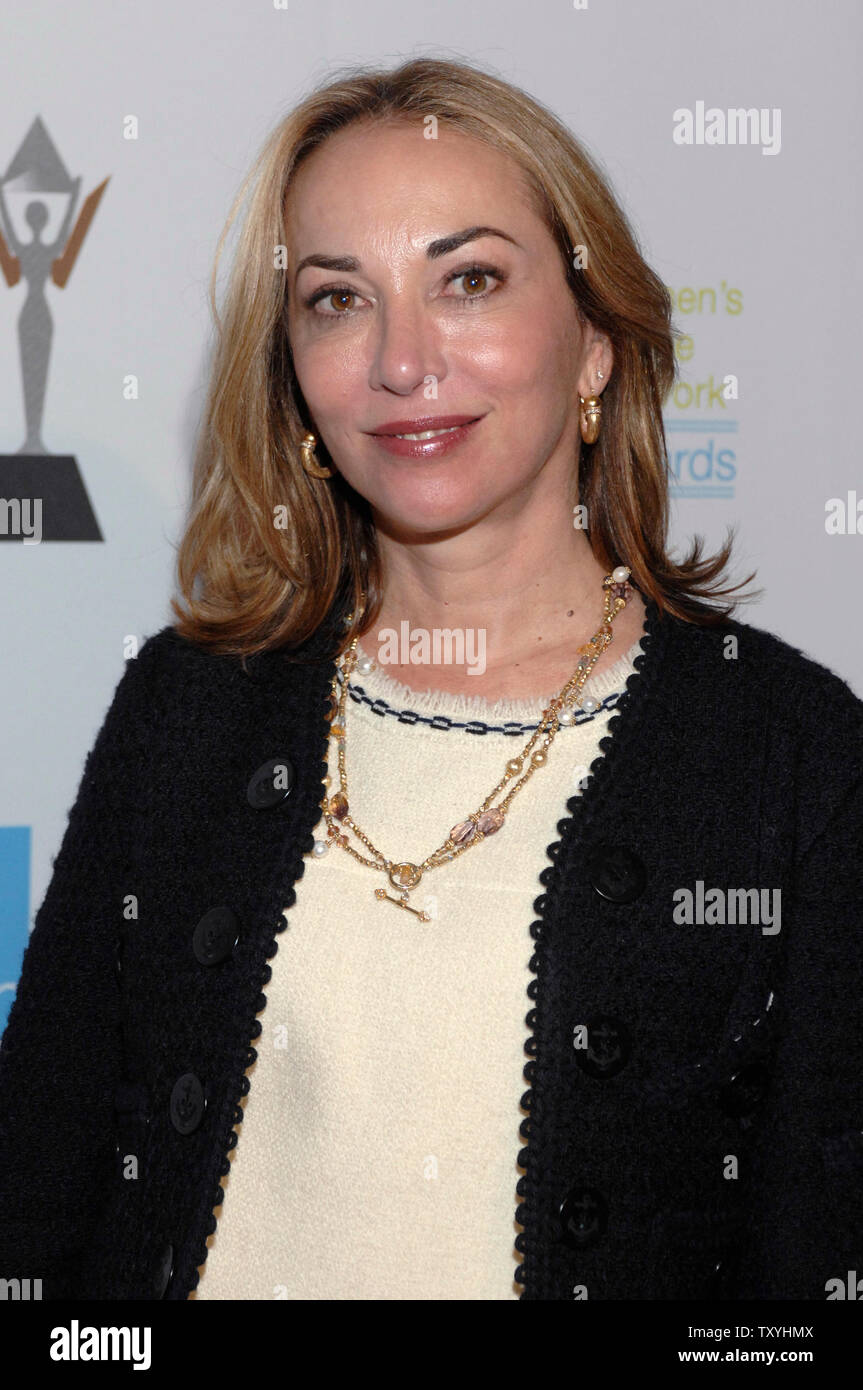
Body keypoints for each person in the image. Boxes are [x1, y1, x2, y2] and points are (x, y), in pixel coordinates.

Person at [0, 55, 860, 1303]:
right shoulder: (187, 706)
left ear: (595, 348)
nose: (401, 363)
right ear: (291, 370)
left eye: (468, 281)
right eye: (337, 301)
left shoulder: (792, 755)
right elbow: (38, 1187)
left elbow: (812, 1258)